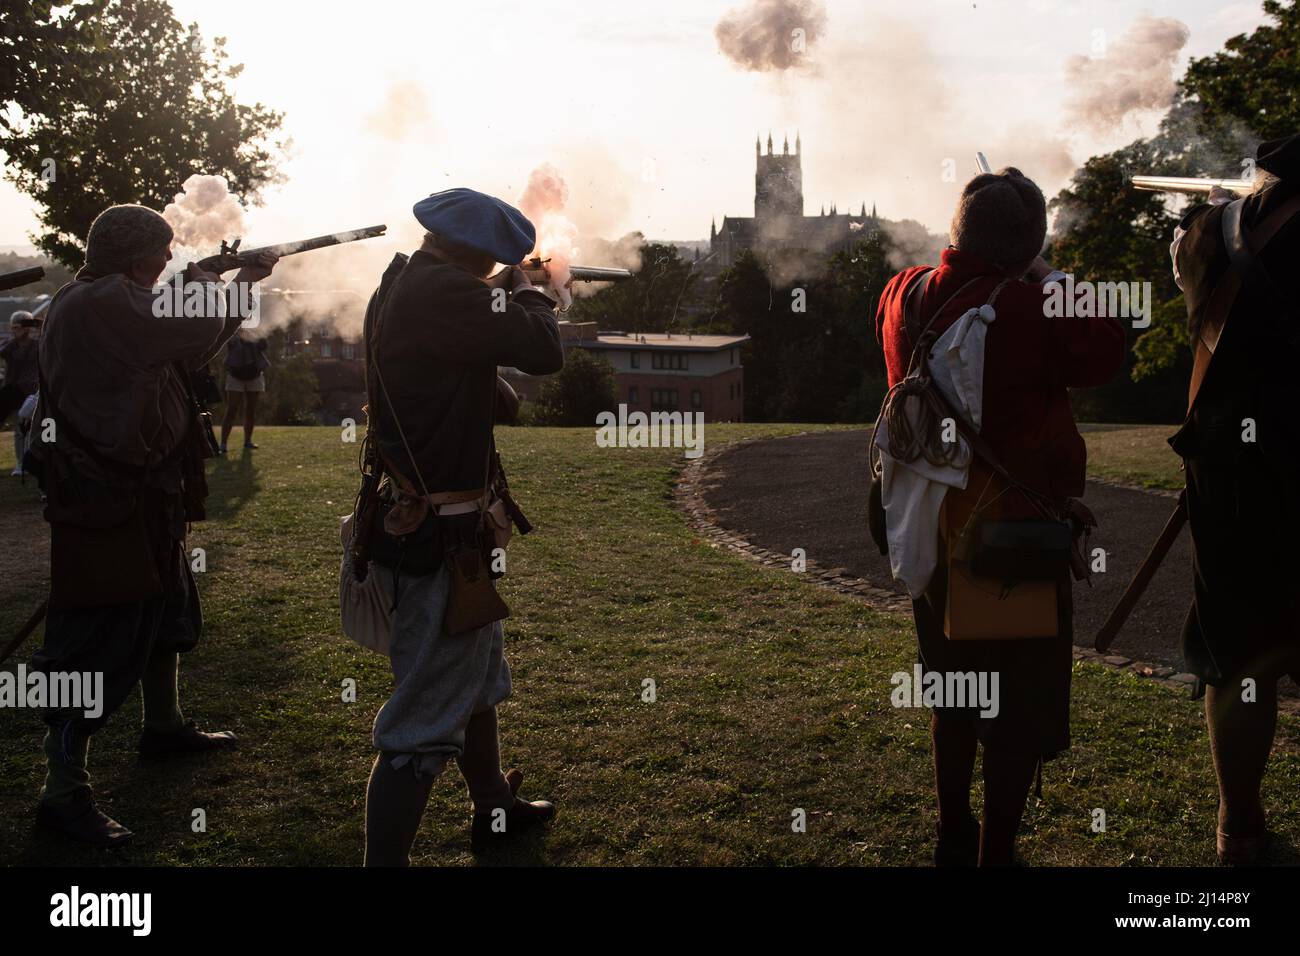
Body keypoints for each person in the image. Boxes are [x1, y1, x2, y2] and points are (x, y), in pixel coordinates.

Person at [873, 168, 1124, 865]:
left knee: (952, 689)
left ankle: (953, 833)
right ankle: (994, 854)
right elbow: (1105, 349)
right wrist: (1047, 273)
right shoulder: (1032, 306)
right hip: (1007, 532)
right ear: (1028, 245)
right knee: (1013, 716)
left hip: (922, 527)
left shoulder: (904, 292)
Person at [26, 203, 277, 846]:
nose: (170, 259)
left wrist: (238, 281)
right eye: (162, 249)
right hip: (108, 498)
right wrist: (229, 280)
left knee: (164, 610)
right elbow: (186, 326)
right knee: (95, 638)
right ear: (135, 254)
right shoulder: (101, 301)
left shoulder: (108, 300)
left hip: (142, 493)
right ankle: (62, 792)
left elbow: (191, 342)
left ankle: (162, 726)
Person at [359, 187, 564, 865]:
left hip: (444, 528)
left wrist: (508, 288)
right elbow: (543, 352)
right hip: (441, 533)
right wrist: (533, 291)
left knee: (475, 683)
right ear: (479, 255)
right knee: (423, 722)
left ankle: (494, 809)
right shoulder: (449, 293)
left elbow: (480, 381)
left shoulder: (406, 280)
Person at [1168, 133, 1300, 865]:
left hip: (1236, 468)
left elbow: (1194, 305)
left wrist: (1211, 220)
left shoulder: (1225, 228)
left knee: (1244, 660)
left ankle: (1239, 830)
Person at [1, 309, 41, 475]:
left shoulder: (36, 346)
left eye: (18, 327)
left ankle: (25, 464)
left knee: (23, 429)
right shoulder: (10, 346)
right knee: (19, 431)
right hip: (12, 391)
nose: (14, 330)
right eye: (14, 327)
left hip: (29, 392)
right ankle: (19, 464)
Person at [219, 329, 269, 453]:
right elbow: (230, 345)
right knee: (232, 409)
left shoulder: (257, 331)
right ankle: (223, 444)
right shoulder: (234, 332)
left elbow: (264, 346)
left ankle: (247, 441)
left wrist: (257, 338)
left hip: (254, 374)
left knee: (251, 409)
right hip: (236, 375)